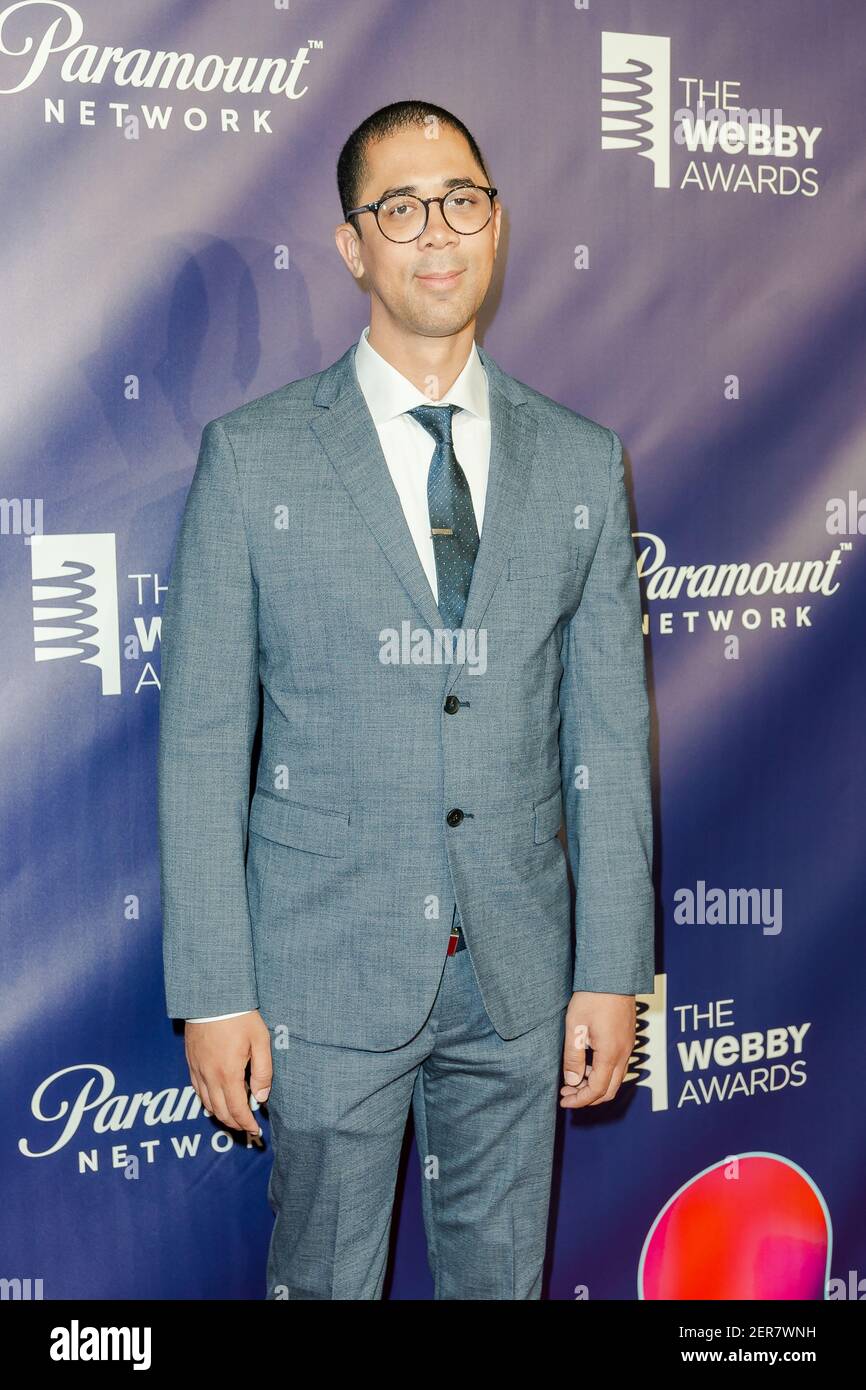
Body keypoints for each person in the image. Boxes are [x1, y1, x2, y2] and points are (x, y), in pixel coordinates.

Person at [158, 99, 655, 1300]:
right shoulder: (254, 458)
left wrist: (610, 968)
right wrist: (213, 989)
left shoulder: (580, 460)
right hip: (322, 973)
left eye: (461, 200)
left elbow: (606, 732)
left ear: (496, 223)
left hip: (520, 973)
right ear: (351, 246)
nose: (437, 230)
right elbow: (204, 742)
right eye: (400, 207)